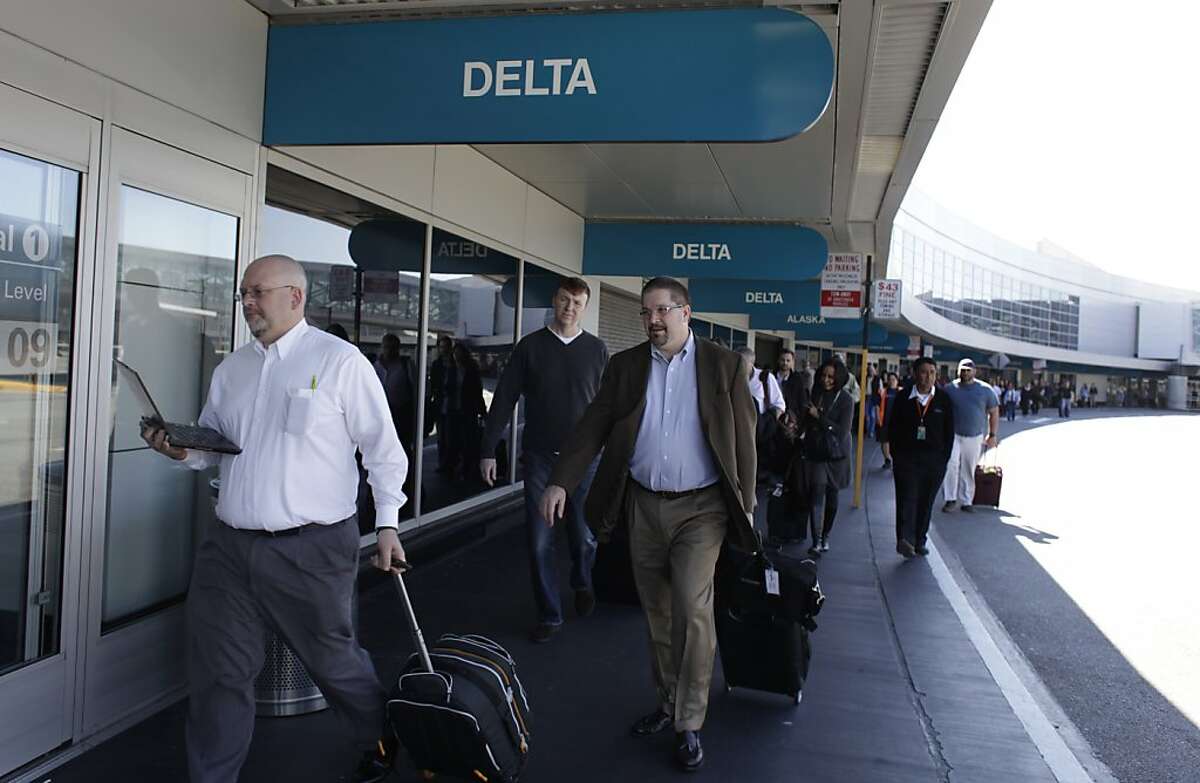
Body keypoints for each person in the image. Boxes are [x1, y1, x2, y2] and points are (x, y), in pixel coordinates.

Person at [140, 255, 408, 783]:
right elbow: (213, 446)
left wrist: (388, 524)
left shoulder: (338, 361)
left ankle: (379, 737)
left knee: (333, 660)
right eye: (243, 294)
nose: (247, 304)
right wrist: (178, 450)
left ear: (296, 297)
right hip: (229, 547)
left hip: (311, 548)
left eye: (257, 293)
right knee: (219, 670)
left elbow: (383, 449)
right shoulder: (232, 369)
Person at [540, 277, 757, 773]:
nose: (653, 321)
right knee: (657, 613)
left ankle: (690, 722)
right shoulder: (627, 366)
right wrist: (561, 482)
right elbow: (593, 424)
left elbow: (745, 438)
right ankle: (668, 702)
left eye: (662, 311)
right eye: (645, 313)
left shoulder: (722, 366)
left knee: (691, 608)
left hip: (703, 510)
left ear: (686, 312)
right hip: (642, 505)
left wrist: (746, 503)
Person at [479, 277, 608, 643]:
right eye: (565, 300)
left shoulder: (597, 351)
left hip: (585, 460)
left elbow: (608, 409)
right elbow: (504, 398)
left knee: (584, 539)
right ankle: (550, 615)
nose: (570, 307)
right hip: (540, 459)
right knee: (538, 542)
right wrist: (489, 449)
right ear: (555, 300)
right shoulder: (530, 348)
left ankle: (582, 580)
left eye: (577, 303)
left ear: (585, 308)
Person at [880, 357, 955, 558]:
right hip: (907, 458)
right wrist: (896, 454)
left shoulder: (944, 399)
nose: (928, 376)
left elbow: (949, 432)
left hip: (934, 460)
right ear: (915, 374)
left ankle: (920, 539)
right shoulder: (904, 398)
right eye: (924, 372)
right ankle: (905, 539)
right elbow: (892, 426)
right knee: (907, 497)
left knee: (925, 500)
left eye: (932, 372)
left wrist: (943, 459)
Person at [801, 357, 854, 555]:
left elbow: (842, 431)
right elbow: (807, 419)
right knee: (816, 493)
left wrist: (820, 418)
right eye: (823, 375)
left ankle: (826, 536)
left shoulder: (846, 399)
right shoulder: (816, 393)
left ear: (839, 377)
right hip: (817, 453)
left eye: (831, 377)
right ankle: (815, 540)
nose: (826, 380)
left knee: (832, 496)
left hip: (837, 454)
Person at [939, 358, 999, 513]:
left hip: (974, 435)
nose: (965, 372)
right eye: (963, 369)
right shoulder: (949, 388)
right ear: (958, 371)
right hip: (953, 434)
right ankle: (950, 499)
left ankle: (966, 500)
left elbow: (993, 412)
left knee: (968, 468)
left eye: (968, 369)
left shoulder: (985, 390)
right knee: (950, 466)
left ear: (974, 371)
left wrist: (992, 435)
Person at [451, 343, 488, 479]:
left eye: (459, 353)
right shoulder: (451, 369)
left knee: (468, 440)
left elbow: (477, 392)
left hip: (467, 409)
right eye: (455, 353)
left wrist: (483, 412)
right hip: (453, 409)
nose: (456, 356)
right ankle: (458, 466)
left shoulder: (471, 370)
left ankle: (467, 468)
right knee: (454, 439)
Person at [775, 348, 811, 417]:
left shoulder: (797, 379)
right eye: (783, 360)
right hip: (774, 415)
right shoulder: (771, 377)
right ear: (778, 360)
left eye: (788, 360)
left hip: (791, 418)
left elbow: (802, 400)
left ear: (792, 362)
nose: (785, 363)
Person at [879, 372, 901, 468]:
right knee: (884, 441)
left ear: (897, 381)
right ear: (887, 381)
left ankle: (896, 460)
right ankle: (887, 459)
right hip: (885, 421)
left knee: (896, 443)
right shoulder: (883, 392)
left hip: (898, 423)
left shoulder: (901, 392)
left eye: (894, 379)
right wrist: (878, 419)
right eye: (890, 379)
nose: (892, 381)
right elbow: (877, 405)